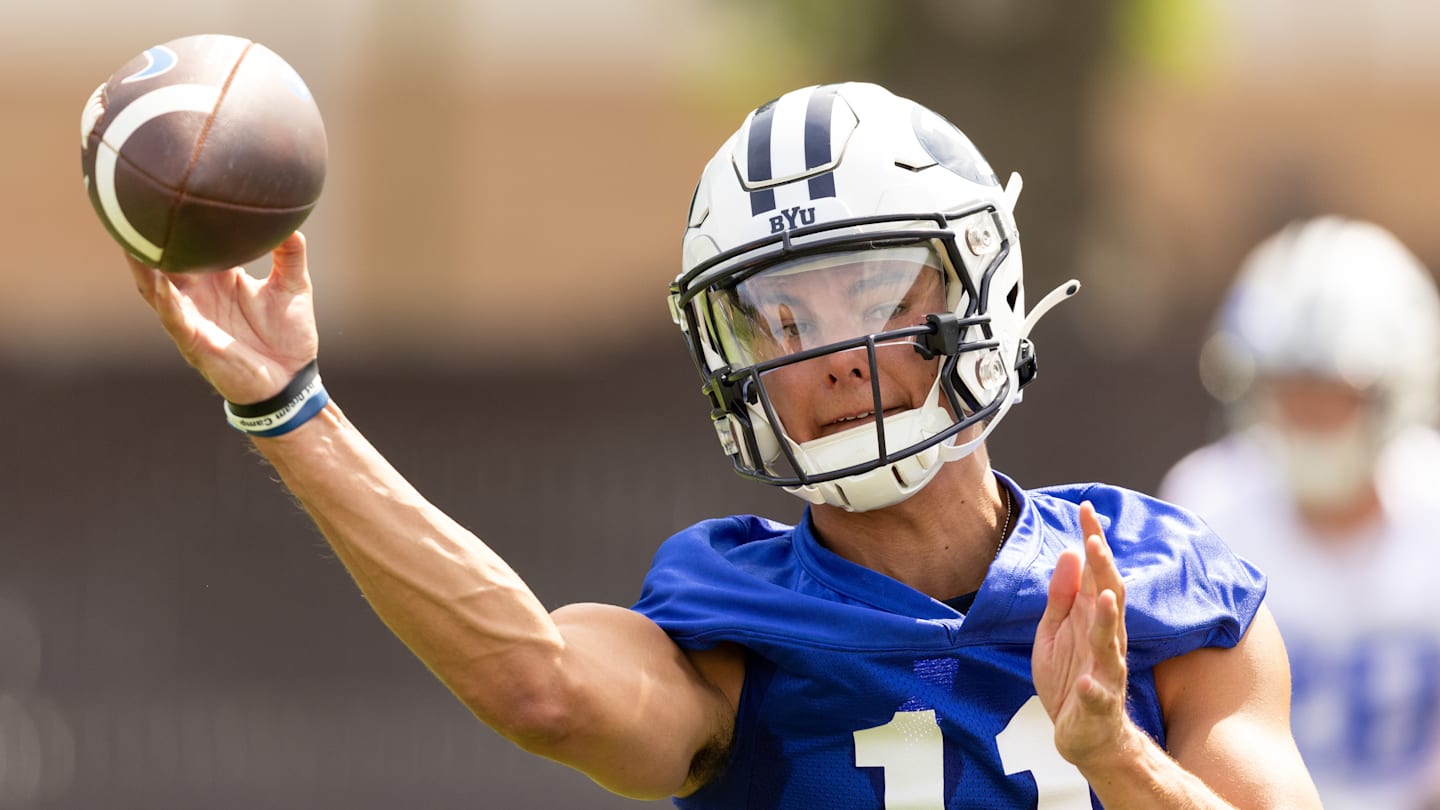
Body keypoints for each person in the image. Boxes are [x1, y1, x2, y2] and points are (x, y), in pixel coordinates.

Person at [126, 82, 1320, 807]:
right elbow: (538, 682)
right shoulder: (729, 621)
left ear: (982, 293)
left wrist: (1114, 752)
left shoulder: (1162, 584)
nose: (830, 355)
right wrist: (292, 410)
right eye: (783, 318)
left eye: (873, 296)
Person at [1160, 216, 1440, 810]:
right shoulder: (1209, 505)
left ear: (1394, 391)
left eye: (1332, 394)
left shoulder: (1431, 510)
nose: (1308, 415)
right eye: (1291, 390)